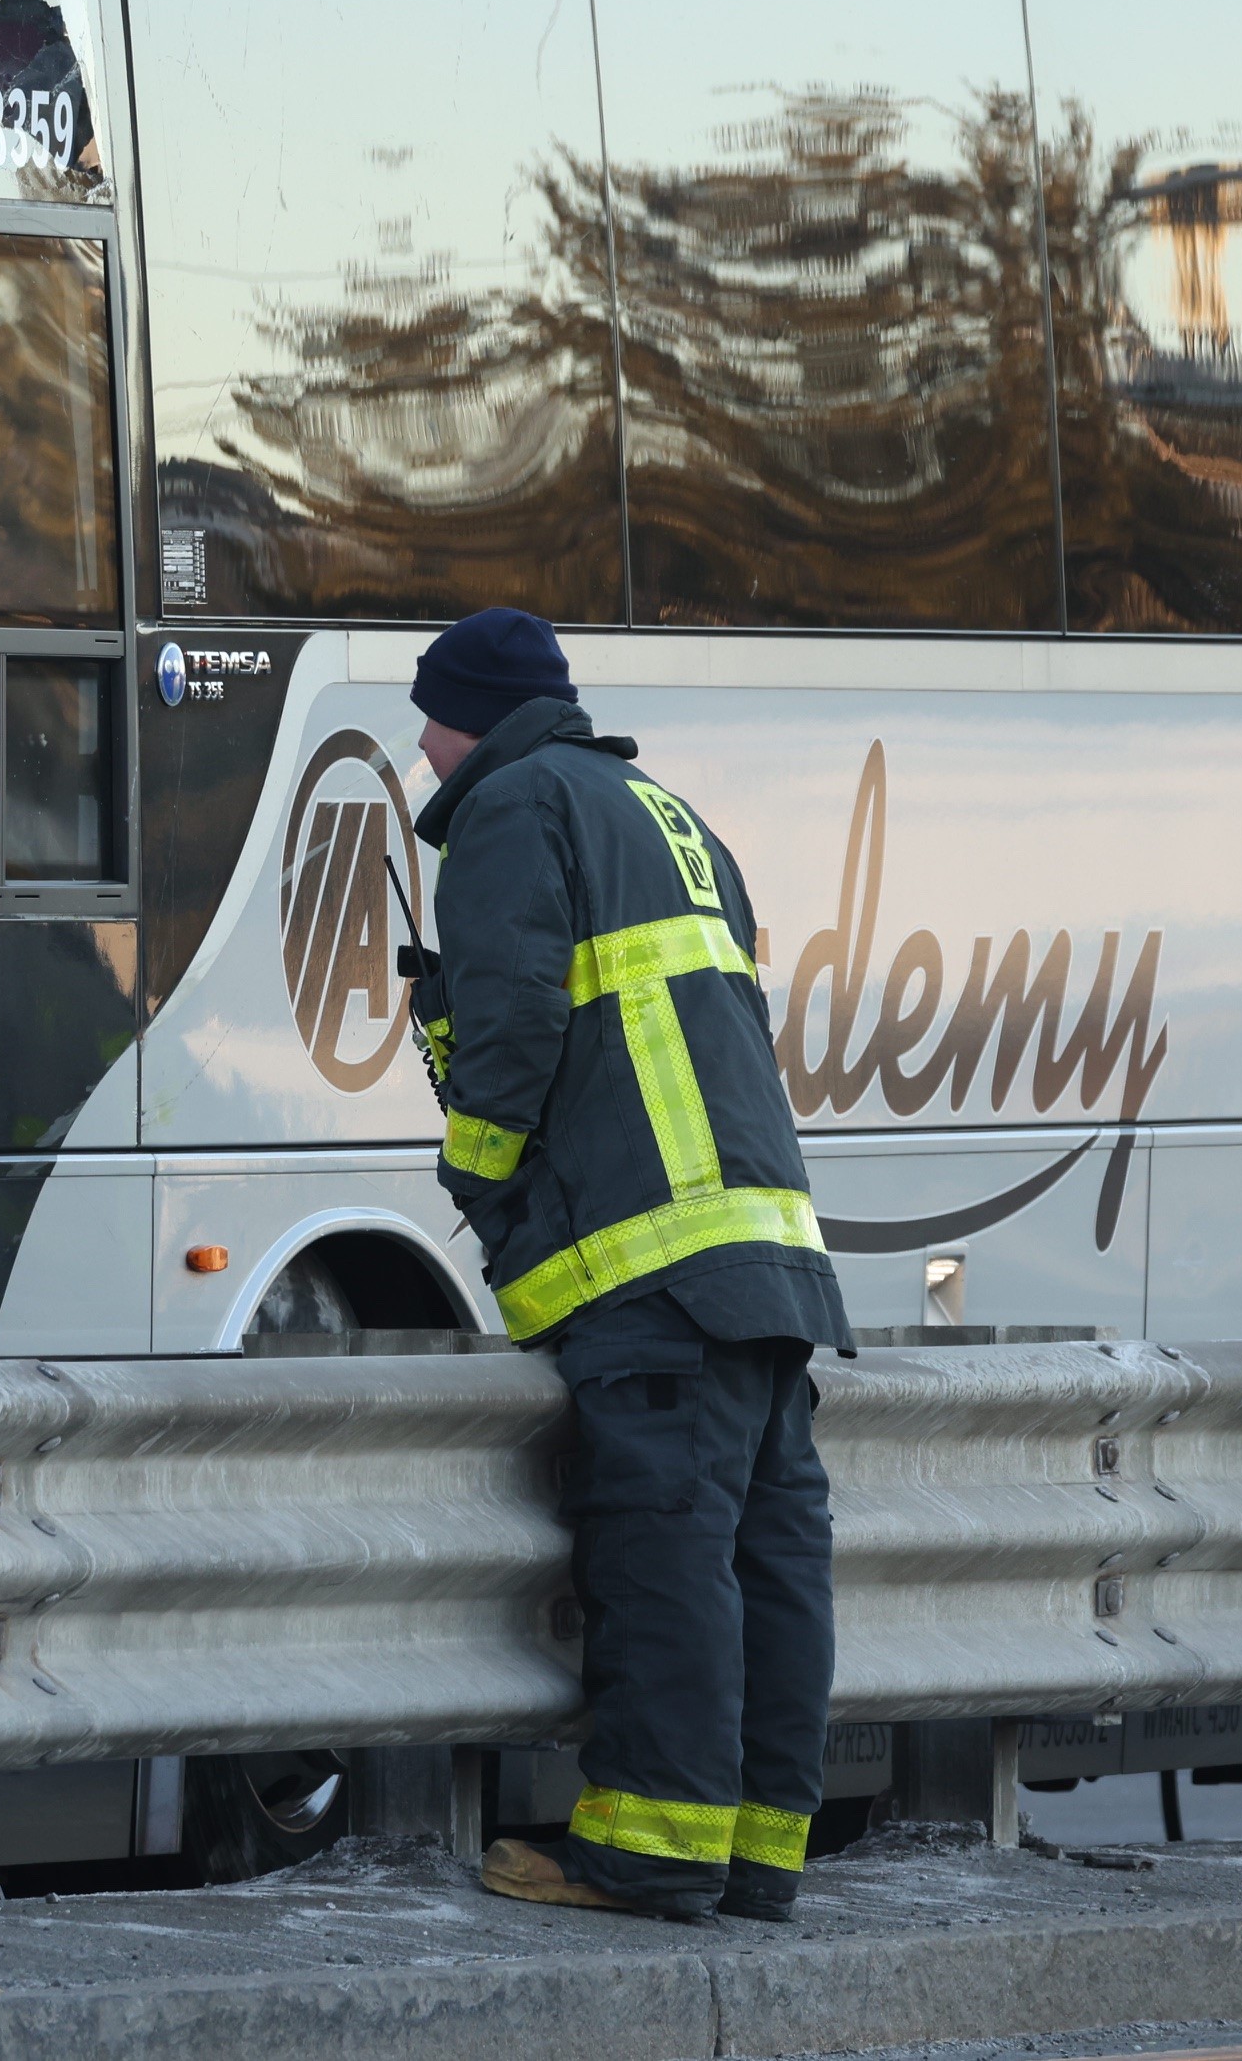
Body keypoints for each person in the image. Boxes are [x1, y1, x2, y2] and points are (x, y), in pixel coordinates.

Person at [401, 606, 854, 1926]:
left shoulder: (507, 810)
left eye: (428, 718)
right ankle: (760, 1851)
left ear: (465, 713)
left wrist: (474, 1170)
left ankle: (650, 1850)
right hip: (763, 1254)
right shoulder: (665, 814)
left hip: (649, 1271)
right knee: (767, 1558)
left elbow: (522, 1016)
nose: (422, 749)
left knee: (661, 1558)